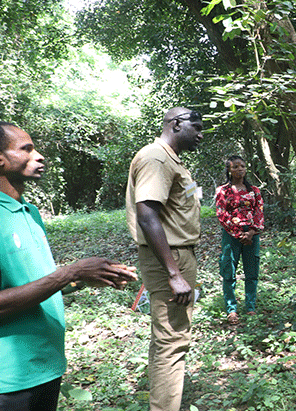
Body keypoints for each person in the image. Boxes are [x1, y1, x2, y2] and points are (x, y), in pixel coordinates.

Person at [0, 121, 137, 411]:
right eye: (26, 149)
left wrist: (80, 280)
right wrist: (71, 272)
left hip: (46, 366)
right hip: (7, 381)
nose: (39, 156)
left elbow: (36, 283)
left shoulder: (27, 211)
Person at [125, 108, 203, 411]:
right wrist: (173, 273)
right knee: (172, 340)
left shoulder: (172, 160)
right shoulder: (155, 158)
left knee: (169, 338)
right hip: (170, 258)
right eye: (195, 127)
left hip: (178, 254)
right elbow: (147, 215)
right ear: (176, 124)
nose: (200, 134)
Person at [215, 155, 264, 325]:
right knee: (229, 271)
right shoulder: (223, 191)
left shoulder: (254, 191)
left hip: (252, 235)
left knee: (252, 272)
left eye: (242, 166)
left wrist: (250, 233)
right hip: (231, 235)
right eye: (235, 166)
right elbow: (222, 214)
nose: (239, 169)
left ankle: (250, 307)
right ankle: (231, 310)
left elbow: (259, 212)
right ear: (229, 169)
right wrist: (238, 234)